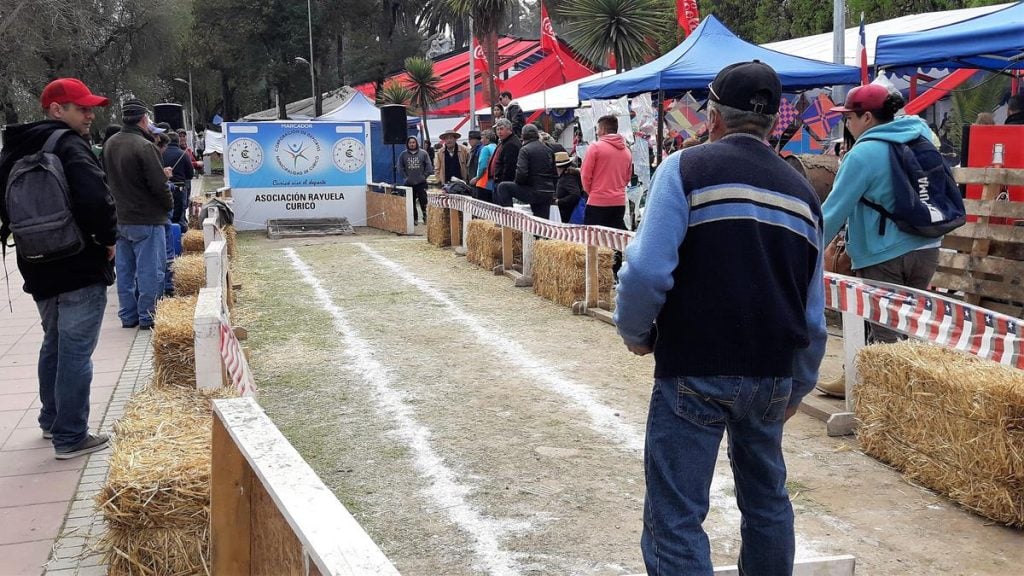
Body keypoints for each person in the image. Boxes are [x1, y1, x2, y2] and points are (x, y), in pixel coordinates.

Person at [613, 60, 826, 575]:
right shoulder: (804, 198)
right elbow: (813, 312)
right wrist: (798, 385)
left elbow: (644, 271)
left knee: (677, 515)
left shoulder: (685, 170)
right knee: (767, 503)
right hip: (773, 372)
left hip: (697, 365)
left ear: (712, 116)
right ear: (774, 122)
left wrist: (636, 332)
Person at [0, 78, 118, 459]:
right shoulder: (69, 146)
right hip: (79, 262)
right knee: (75, 351)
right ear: (56, 110)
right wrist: (107, 238)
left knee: (53, 341)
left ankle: (51, 420)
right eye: (81, 108)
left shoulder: (14, 147)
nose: (89, 114)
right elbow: (96, 200)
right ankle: (71, 436)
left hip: (36, 263)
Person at [823, 84, 941, 343]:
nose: (847, 123)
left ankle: (887, 383)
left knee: (884, 338)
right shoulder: (922, 139)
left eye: (849, 117)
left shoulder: (863, 154)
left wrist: (806, 248)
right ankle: (911, 382)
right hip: (928, 246)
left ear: (867, 117)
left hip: (883, 253)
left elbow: (833, 213)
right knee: (911, 329)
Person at [103, 98, 173, 330]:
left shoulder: (111, 144)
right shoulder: (145, 146)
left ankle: (128, 315)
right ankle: (148, 316)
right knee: (150, 272)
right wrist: (168, 205)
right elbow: (158, 184)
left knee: (125, 272)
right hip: (146, 218)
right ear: (144, 119)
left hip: (120, 218)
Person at [581, 115, 632, 276]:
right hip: (618, 202)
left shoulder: (595, 147)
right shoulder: (626, 151)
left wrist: (592, 192)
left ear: (602, 129)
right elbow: (627, 178)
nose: (597, 132)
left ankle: (593, 276)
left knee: (593, 240)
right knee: (614, 239)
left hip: (597, 201)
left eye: (597, 129)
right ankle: (613, 274)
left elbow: (585, 175)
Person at [494, 124, 557, 219]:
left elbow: (521, 173)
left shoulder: (525, 150)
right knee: (541, 222)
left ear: (523, 136)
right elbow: (555, 173)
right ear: (537, 134)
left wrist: (519, 185)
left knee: (503, 187)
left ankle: (509, 221)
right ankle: (538, 234)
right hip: (548, 191)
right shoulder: (548, 150)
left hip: (533, 190)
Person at [162, 131, 194, 233]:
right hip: (179, 188)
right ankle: (178, 238)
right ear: (178, 141)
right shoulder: (183, 154)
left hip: (163, 187)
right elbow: (190, 174)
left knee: (166, 215)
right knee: (179, 215)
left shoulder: (160, 153)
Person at [397, 136, 433, 224]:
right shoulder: (403, 154)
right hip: (409, 183)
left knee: (424, 201)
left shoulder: (423, 153)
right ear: (407, 144)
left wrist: (424, 176)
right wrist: (406, 178)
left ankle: (426, 218)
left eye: (413, 142)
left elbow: (429, 167)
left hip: (421, 183)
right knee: (411, 202)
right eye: (410, 143)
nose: (412, 144)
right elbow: (400, 168)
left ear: (416, 143)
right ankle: (414, 219)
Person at [487, 118, 521, 204]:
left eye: (501, 129)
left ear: (509, 129)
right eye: (497, 129)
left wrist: (503, 183)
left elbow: (510, 166)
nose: (499, 132)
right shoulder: (504, 142)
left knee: (502, 212)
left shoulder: (511, 144)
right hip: (498, 181)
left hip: (503, 183)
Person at [554, 151, 583, 224]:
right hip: (570, 211)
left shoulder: (567, 178)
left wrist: (559, 202)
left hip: (568, 213)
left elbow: (575, 195)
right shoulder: (572, 174)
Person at [471, 129, 497, 202]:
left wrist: (476, 178)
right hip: (493, 184)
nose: (481, 140)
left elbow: (482, 166)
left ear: (488, 139)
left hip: (483, 183)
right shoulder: (496, 147)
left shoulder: (485, 148)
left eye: (482, 138)